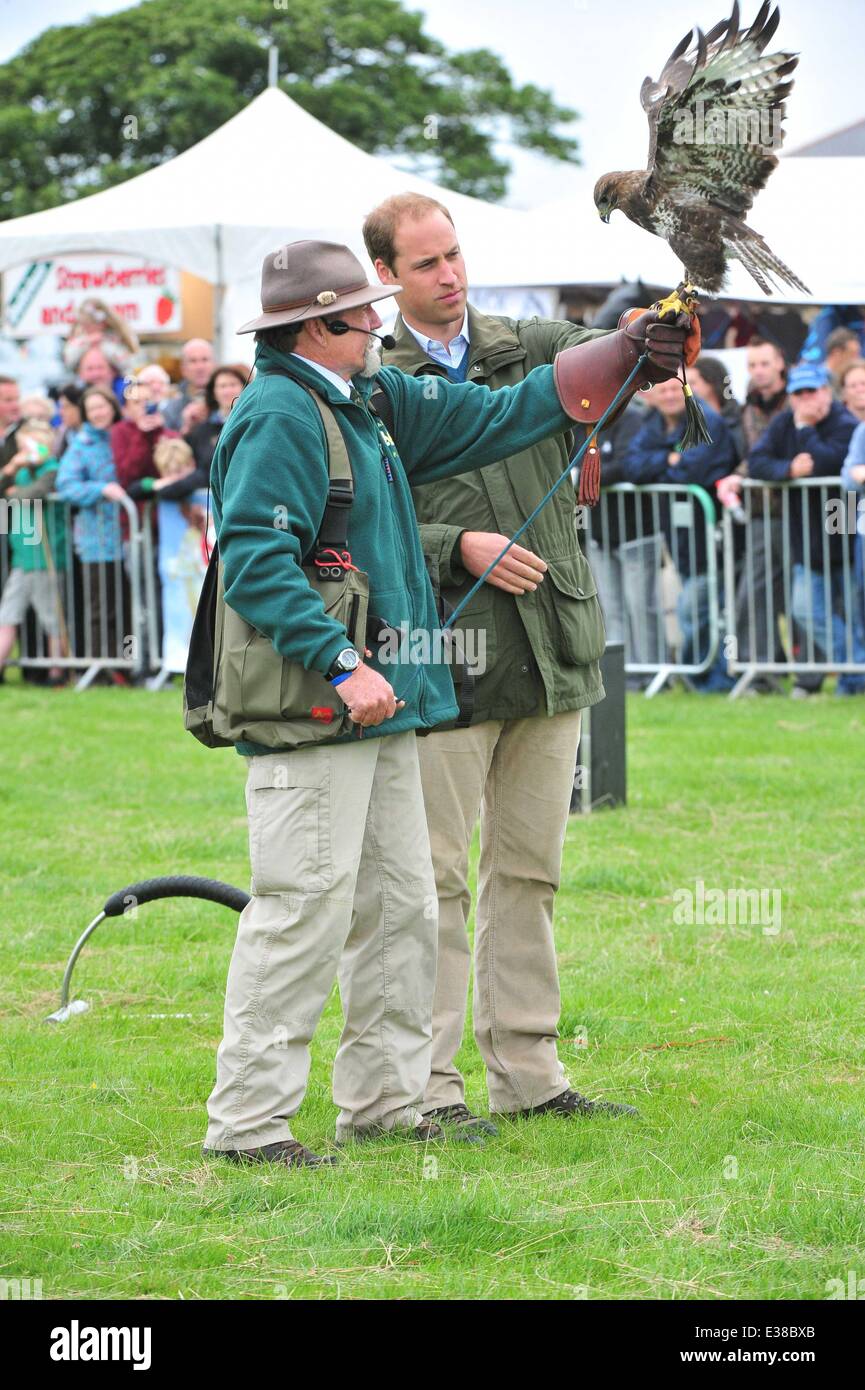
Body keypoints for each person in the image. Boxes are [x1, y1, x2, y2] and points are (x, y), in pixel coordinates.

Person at [202, 239, 689, 1169]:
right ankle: (248, 1127)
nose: (378, 321)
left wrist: (620, 350)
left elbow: (496, 414)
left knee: (399, 908)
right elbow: (256, 561)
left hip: (389, 699)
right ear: (318, 325)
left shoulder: (366, 398)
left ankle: (384, 1106)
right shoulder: (278, 412)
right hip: (317, 704)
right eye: (362, 311)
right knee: (300, 909)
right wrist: (340, 663)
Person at [365, 190, 640, 1132]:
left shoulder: (523, 345)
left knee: (529, 871)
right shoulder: (370, 380)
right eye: (426, 263)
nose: (449, 274)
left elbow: (605, 351)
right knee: (432, 880)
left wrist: (647, 336)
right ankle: (427, 1088)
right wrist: (457, 547)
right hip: (443, 655)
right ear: (384, 276)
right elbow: (349, 522)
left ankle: (529, 1075)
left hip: (549, 647)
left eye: (454, 253)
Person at [748, 363, 864, 696]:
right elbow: (757, 461)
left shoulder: (845, 423)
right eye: (798, 393)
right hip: (806, 536)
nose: (805, 399)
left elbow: (830, 463)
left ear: (826, 392)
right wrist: (788, 469)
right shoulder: (784, 423)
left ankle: (853, 676)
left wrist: (807, 432)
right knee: (805, 610)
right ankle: (855, 667)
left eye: (811, 391)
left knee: (854, 612)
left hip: (844, 531)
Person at [623, 377, 738, 691]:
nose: (670, 395)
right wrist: (668, 458)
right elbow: (632, 466)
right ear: (653, 397)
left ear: (688, 390)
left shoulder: (706, 420)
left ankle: (706, 677)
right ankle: (703, 677)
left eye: (676, 388)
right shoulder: (653, 423)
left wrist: (662, 467)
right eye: (663, 390)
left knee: (696, 606)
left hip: (710, 531)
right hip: (678, 534)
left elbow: (692, 470)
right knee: (695, 604)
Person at [716, 338, 790, 689]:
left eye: (765, 363)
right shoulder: (747, 409)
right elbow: (755, 457)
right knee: (754, 594)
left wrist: (750, 471)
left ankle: (817, 673)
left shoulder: (797, 399)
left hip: (800, 512)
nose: (759, 371)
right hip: (762, 513)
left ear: (780, 364)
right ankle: (764, 672)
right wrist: (739, 475)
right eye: (753, 365)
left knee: (803, 597)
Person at [56, 385, 127, 671]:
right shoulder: (81, 445)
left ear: (113, 407)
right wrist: (100, 490)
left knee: (129, 607)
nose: (99, 413)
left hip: (130, 536)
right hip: (97, 540)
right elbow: (66, 485)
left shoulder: (124, 435)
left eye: (103, 406)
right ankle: (101, 667)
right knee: (101, 608)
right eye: (92, 408)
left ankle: (128, 664)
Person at [0, 419, 68, 685]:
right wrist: (10, 469)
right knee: (7, 615)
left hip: (44, 557)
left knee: (51, 618)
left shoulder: (52, 469)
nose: (23, 453)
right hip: (22, 558)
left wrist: (14, 494)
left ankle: (57, 672)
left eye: (27, 447)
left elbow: (35, 494)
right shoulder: (21, 472)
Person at [186, 364, 247, 475]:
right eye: (222, 386)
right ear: (213, 392)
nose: (228, 391)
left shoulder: (251, 424)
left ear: (244, 388)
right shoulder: (202, 430)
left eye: (233, 385)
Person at [161, 339, 215, 433]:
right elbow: (165, 441)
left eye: (205, 360)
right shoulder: (171, 409)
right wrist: (186, 427)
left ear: (214, 365)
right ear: (183, 369)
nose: (200, 367)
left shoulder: (229, 401)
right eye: (193, 361)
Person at [54, 384, 84, 459]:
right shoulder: (62, 435)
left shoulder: (95, 437)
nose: (60, 412)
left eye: (66, 407)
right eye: (60, 407)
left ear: (80, 408)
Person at [0, 375, 23, 471]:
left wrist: (30, 456)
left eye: (17, 399)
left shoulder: (31, 428)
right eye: (8, 400)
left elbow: (44, 451)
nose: (16, 406)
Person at [840, 359, 865, 424]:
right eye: (853, 386)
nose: (860, 389)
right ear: (844, 392)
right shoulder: (837, 424)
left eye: (863, 383)